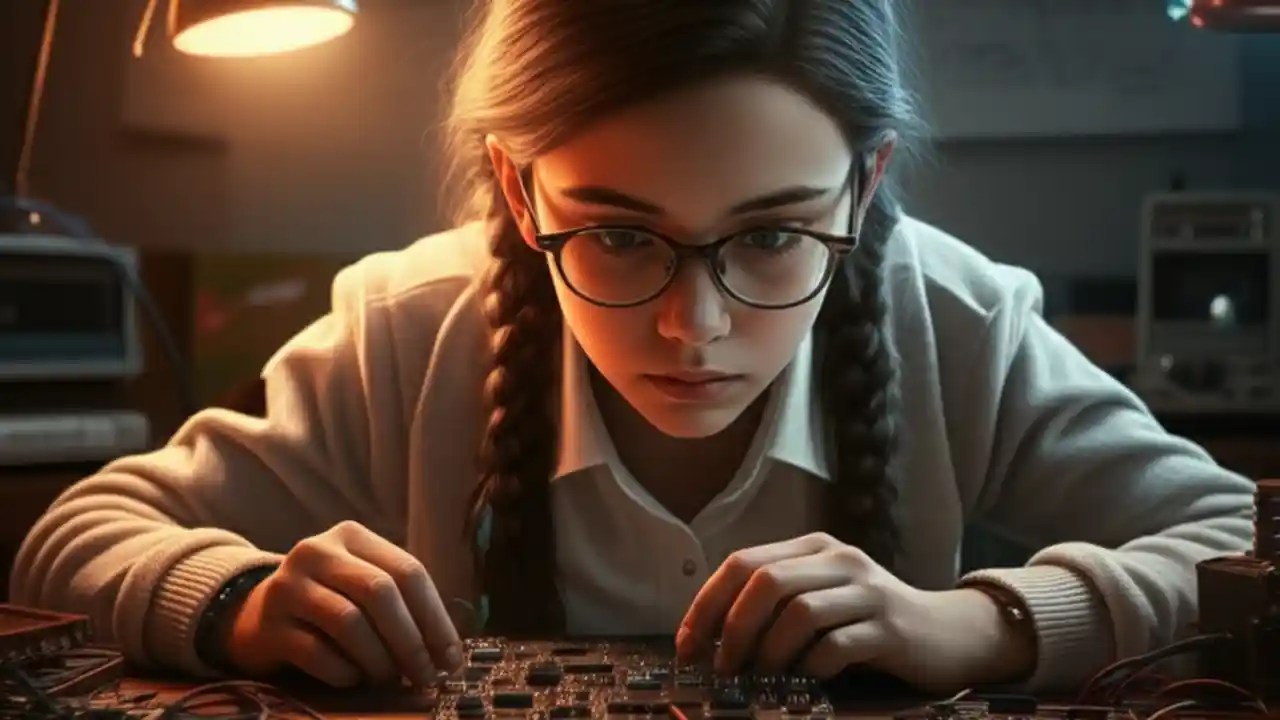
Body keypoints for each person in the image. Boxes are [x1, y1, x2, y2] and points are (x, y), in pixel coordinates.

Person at [10, 0, 1253, 698]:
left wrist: (978, 627)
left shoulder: (957, 318)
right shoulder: (406, 324)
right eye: (614, 234)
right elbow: (73, 537)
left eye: (770, 238)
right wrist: (233, 602)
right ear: (516, 184)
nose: (692, 328)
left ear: (865, 185)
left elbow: (1240, 545)